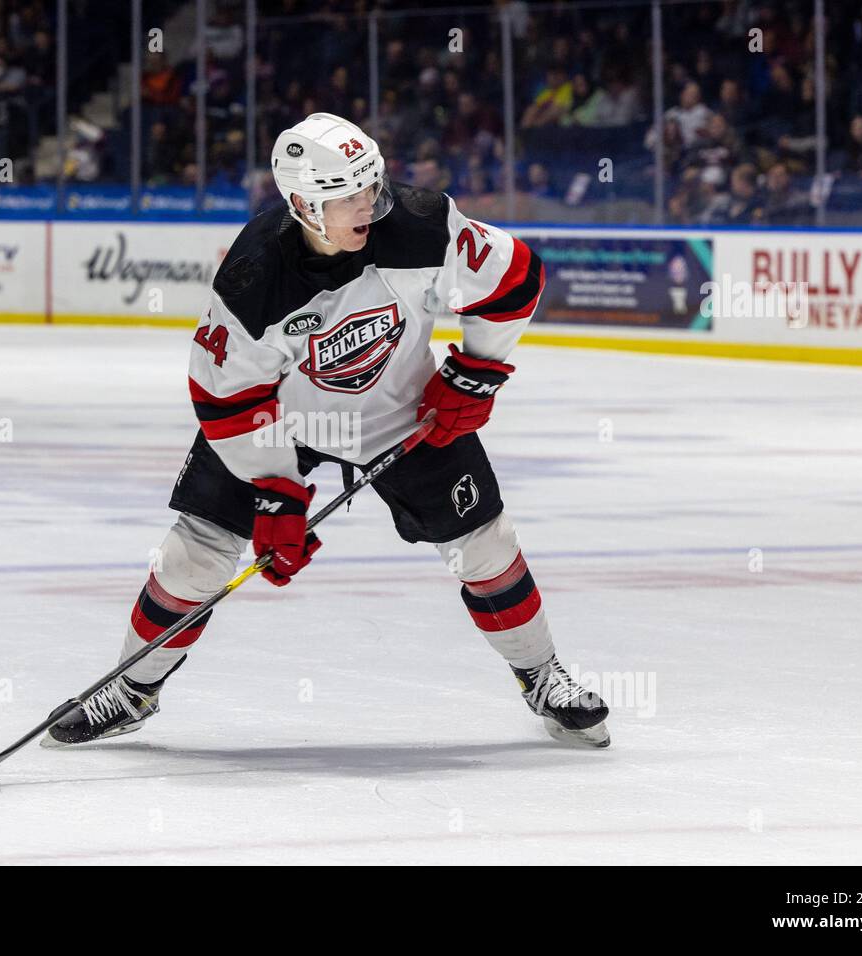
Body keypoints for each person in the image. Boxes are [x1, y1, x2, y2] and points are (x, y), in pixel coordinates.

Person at [43, 113, 611, 751]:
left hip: (402, 410)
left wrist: (474, 373)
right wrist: (274, 490)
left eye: (372, 185)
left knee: (483, 543)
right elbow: (225, 399)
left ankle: (542, 675)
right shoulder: (254, 276)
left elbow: (515, 279)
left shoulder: (422, 227)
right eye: (347, 195)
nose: (368, 203)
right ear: (304, 204)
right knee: (196, 551)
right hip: (283, 419)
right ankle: (131, 689)